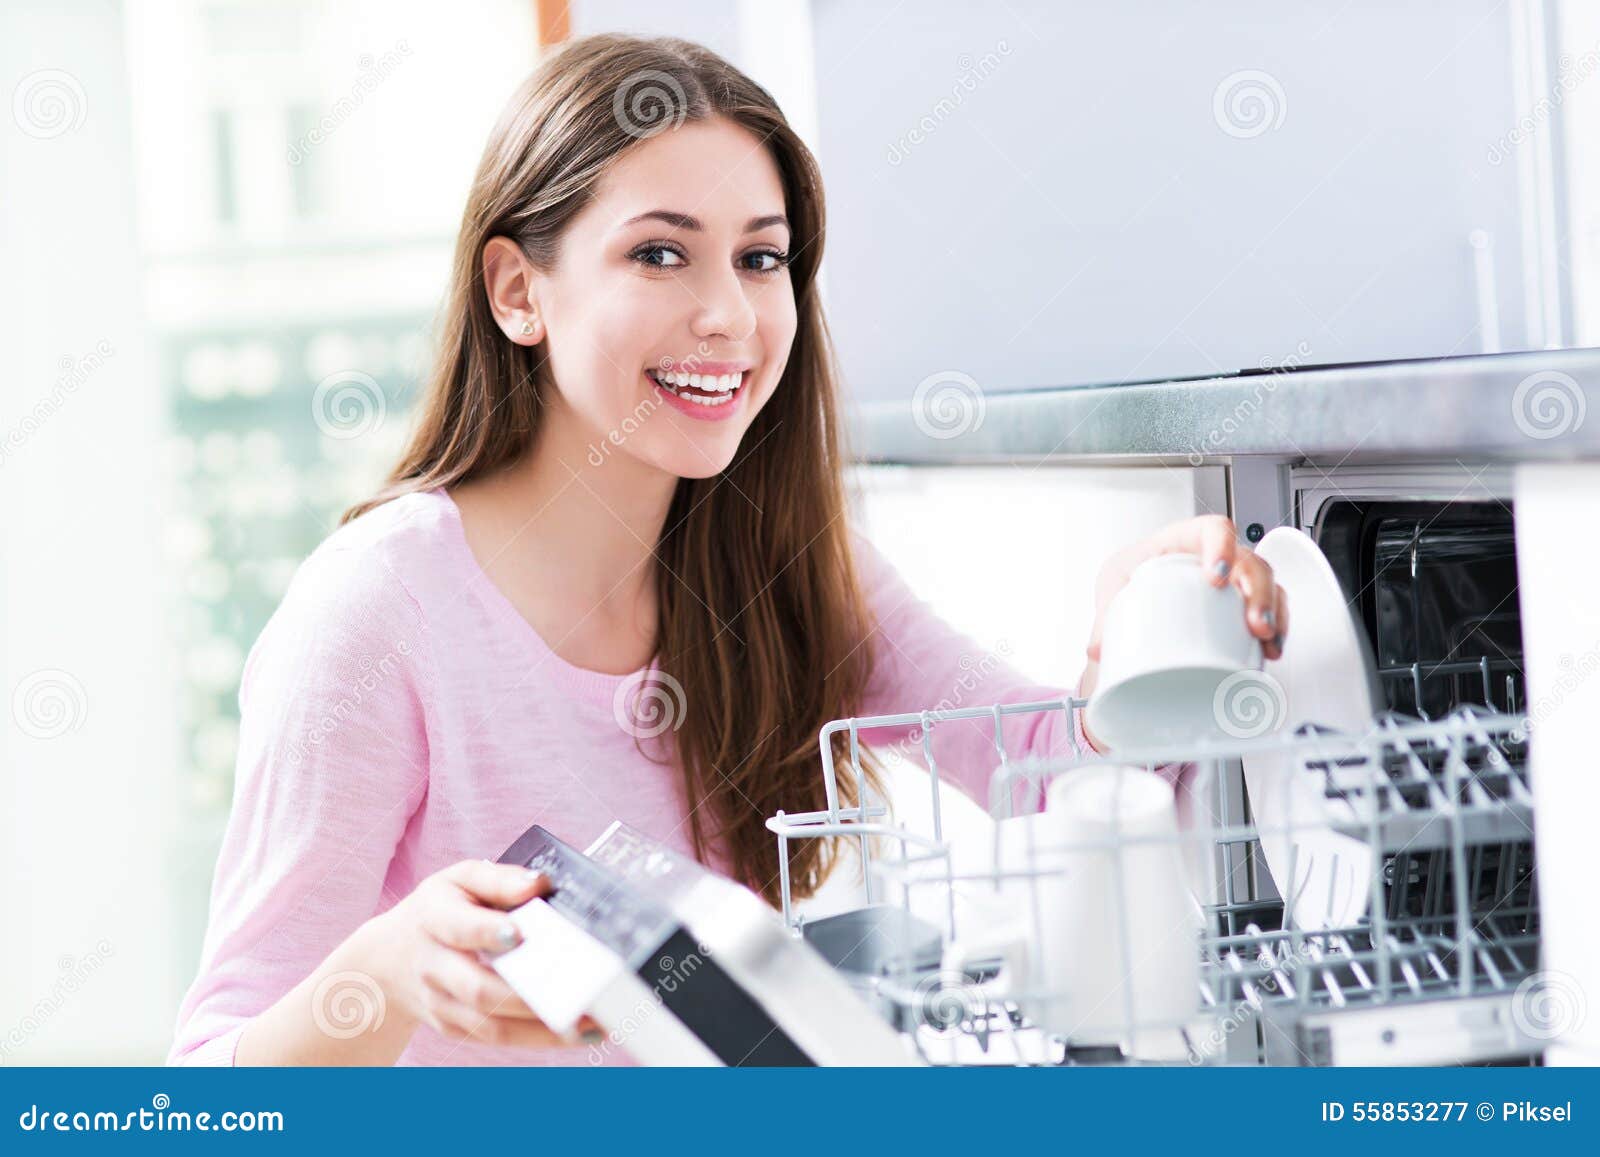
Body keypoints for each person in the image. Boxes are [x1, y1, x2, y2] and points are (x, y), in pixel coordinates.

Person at [168, 33, 1285, 1067]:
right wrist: (382, 967)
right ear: (519, 291)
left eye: (762, 260)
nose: (730, 317)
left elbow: (1058, 779)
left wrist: (1139, 621)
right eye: (660, 254)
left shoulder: (779, 554)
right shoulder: (378, 611)